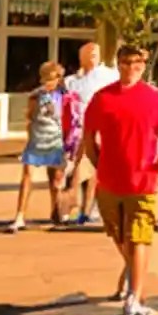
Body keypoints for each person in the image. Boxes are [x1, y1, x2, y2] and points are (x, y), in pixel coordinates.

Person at [82, 45, 158, 315]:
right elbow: (89, 140)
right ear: (118, 64)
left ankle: (134, 300)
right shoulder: (102, 99)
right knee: (120, 237)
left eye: (137, 62)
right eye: (126, 62)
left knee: (138, 239)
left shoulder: (156, 99)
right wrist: (101, 166)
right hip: (110, 183)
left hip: (142, 185)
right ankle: (135, 278)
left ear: (144, 65)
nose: (131, 67)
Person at [5, 62, 78, 233]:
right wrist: (30, 137)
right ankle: (20, 216)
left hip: (56, 140)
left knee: (55, 180)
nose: (48, 82)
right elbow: (30, 117)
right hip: (38, 139)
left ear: (59, 78)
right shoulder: (35, 95)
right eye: (45, 79)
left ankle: (57, 215)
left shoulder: (66, 96)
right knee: (27, 176)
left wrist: (69, 144)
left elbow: (71, 121)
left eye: (51, 79)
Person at [64, 42, 119, 225]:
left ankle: (88, 210)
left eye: (96, 52)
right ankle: (80, 209)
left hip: (101, 131)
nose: (93, 55)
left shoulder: (110, 75)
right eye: (89, 53)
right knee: (77, 173)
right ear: (81, 57)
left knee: (93, 171)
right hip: (76, 133)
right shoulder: (72, 81)